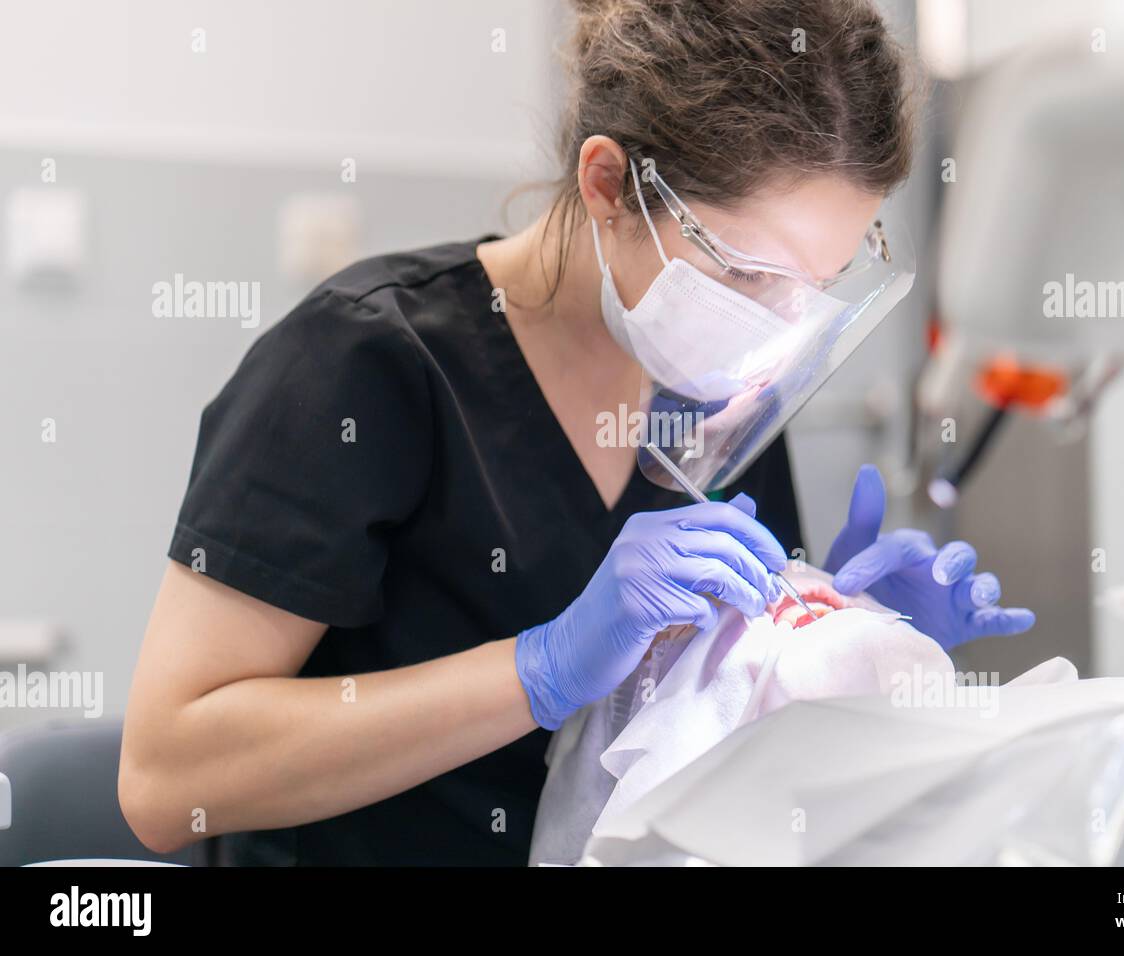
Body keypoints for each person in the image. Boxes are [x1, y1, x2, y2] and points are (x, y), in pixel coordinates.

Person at [119, 0, 1033, 866]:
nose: (778, 325)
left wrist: (852, 654)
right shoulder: (365, 368)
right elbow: (165, 776)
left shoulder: (718, 398)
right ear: (606, 183)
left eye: (818, 283)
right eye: (750, 275)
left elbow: (710, 747)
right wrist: (542, 670)